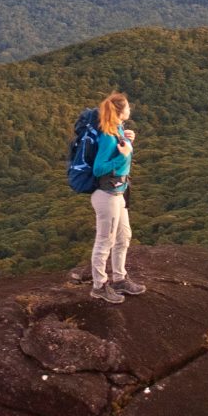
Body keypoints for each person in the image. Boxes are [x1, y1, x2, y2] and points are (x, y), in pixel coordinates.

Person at [88, 90, 147, 303]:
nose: (131, 109)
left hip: (119, 193)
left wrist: (129, 141)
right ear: (121, 111)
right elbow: (98, 169)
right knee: (105, 241)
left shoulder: (118, 130)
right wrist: (121, 157)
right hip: (107, 195)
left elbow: (123, 152)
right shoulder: (107, 136)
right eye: (128, 107)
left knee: (124, 236)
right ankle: (99, 286)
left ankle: (119, 279)